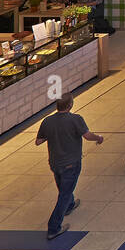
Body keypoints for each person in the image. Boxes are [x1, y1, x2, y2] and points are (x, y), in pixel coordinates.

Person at [36, 95, 104, 241]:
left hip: (54, 163)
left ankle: (70, 205)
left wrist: (54, 134)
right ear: (70, 105)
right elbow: (87, 136)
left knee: (64, 188)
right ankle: (54, 227)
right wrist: (98, 138)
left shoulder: (47, 121)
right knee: (64, 194)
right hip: (71, 163)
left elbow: (38, 141)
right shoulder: (75, 119)